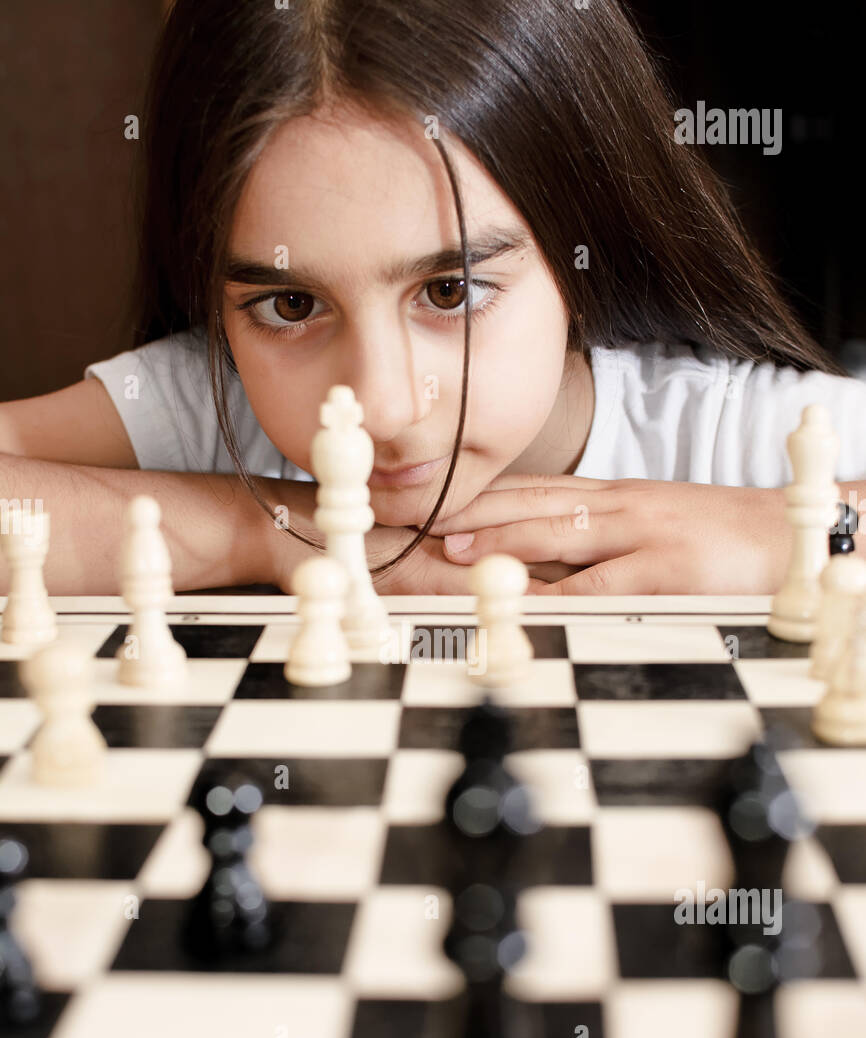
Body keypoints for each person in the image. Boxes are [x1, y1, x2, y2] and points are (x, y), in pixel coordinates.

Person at [1, 0, 864, 597]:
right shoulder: (207, 409)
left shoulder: (739, 436)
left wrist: (818, 531)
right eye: (291, 308)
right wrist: (266, 531)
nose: (378, 403)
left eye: (450, 289)